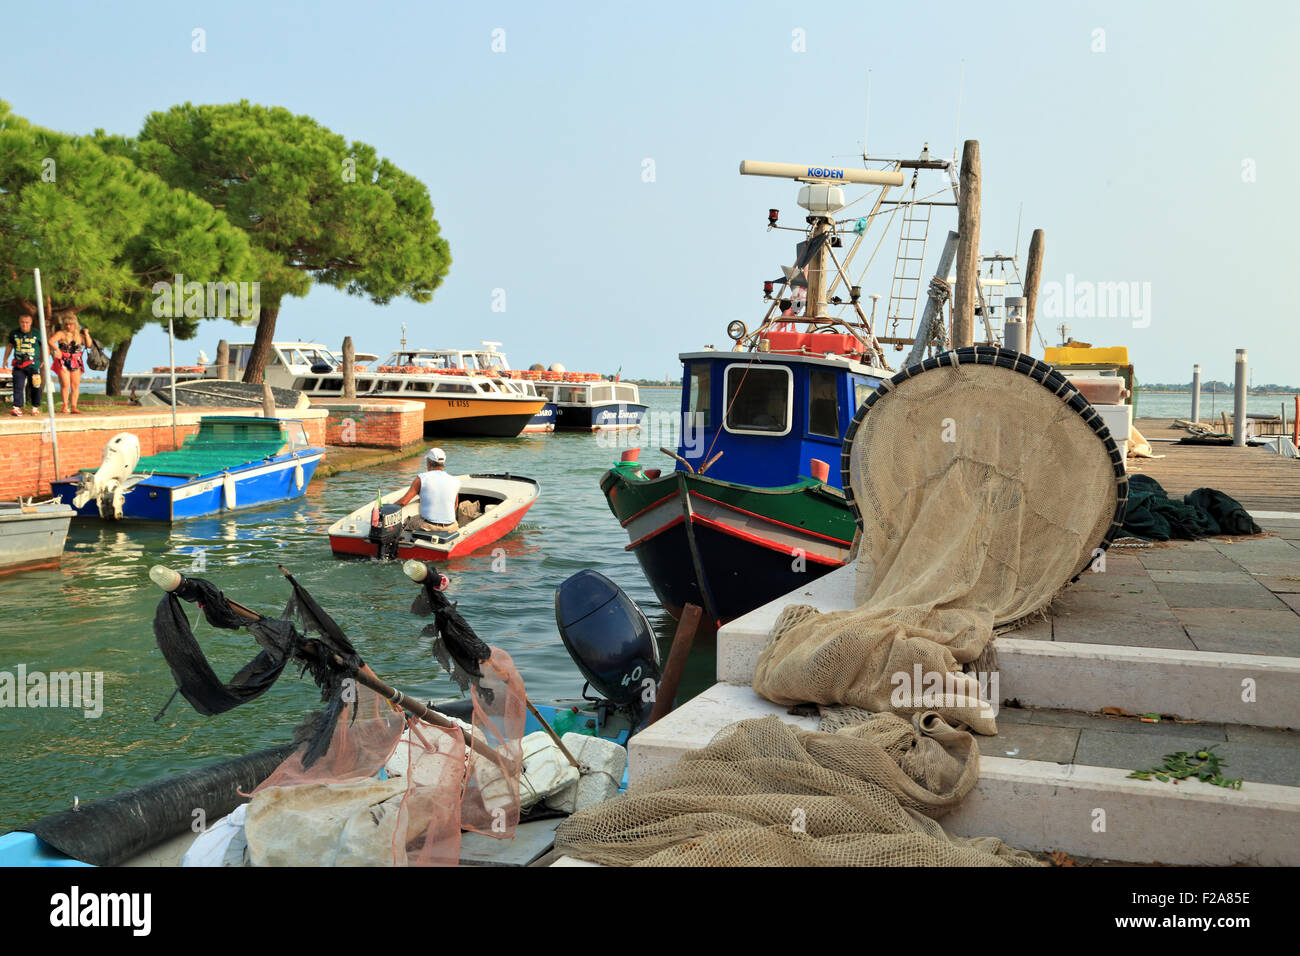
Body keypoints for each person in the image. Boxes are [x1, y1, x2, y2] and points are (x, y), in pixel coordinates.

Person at [395, 448, 481, 535]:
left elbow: (403, 502)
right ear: (443, 464)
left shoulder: (421, 479)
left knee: (406, 522)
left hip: (429, 526)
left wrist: (386, 508)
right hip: (451, 526)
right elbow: (455, 505)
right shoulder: (455, 481)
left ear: (428, 463)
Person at [49, 313, 93, 414]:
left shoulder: (79, 336)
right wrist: (57, 350)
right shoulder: (61, 334)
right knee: (65, 384)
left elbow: (89, 345)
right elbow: (51, 341)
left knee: (75, 385)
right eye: (66, 324)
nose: (68, 326)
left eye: (71, 324)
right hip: (63, 361)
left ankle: (74, 407)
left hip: (76, 362)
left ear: (75, 324)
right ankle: (64, 406)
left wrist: (86, 334)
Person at [4, 313, 42, 415]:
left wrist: (44, 360)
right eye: (22, 322)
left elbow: (45, 347)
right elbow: (10, 346)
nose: (24, 324)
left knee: (35, 385)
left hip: (34, 365)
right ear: (19, 322)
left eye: (27, 322)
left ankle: (35, 408)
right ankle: (16, 407)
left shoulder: (37, 333)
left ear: (31, 323)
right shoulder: (14, 333)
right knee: (18, 385)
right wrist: (5, 359)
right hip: (19, 365)